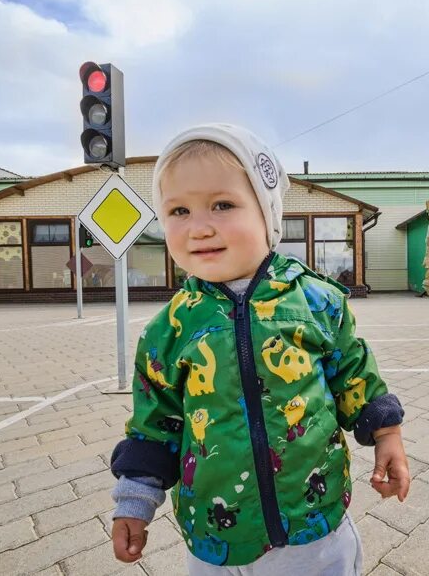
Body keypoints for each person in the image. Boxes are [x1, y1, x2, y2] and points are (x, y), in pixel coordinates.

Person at [110, 123, 409, 574]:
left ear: (267, 214)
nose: (200, 227)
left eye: (222, 205)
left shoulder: (314, 300)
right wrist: (135, 501)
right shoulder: (168, 329)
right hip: (215, 534)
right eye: (178, 211)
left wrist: (387, 435)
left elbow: (354, 373)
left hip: (313, 526)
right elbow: (155, 425)